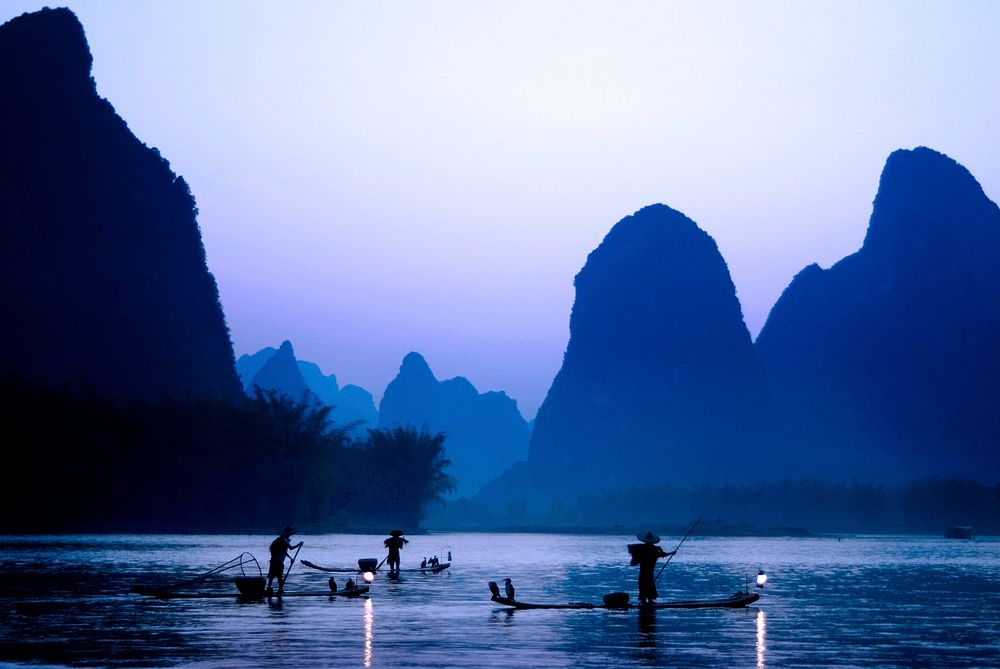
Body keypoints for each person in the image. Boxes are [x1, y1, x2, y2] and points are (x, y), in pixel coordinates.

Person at [627, 531, 675, 604]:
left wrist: (670, 553)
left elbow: (662, 554)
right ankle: (645, 600)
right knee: (647, 583)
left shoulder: (651, 549)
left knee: (646, 583)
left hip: (647, 569)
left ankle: (647, 600)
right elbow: (662, 555)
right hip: (646, 569)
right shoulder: (649, 549)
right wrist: (670, 553)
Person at [267, 526, 304, 595]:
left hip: (276, 560)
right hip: (277, 561)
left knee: (273, 575)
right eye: (288, 532)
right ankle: (277, 589)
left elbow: (284, 551)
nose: (289, 534)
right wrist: (299, 544)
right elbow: (291, 548)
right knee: (277, 576)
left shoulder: (282, 540)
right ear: (286, 532)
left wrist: (290, 558)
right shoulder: (282, 539)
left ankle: (273, 589)